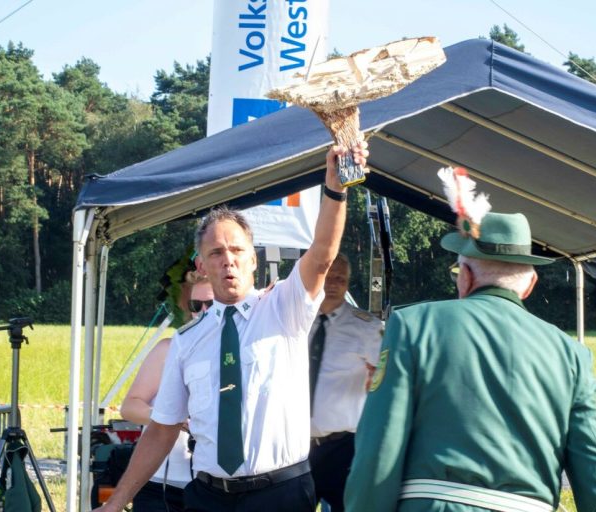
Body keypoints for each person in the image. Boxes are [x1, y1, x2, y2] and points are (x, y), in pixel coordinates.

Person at [95, 140, 368, 512]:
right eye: (216, 253)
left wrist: (335, 190)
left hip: (279, 495)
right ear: (202, 267)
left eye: (237, 251)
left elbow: (321, 255)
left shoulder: (284, 308)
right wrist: (117, 502)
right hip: (209, 496)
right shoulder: (187, 340)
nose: (229, 262)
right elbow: (162, 428)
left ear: (253, 260)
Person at [345, 211, 596, 512]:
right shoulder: (571, 355)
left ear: (466, 277)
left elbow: (379, 450)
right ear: (530, 284)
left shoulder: (413, 325)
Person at [120, 270, 214, 512]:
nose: (203, 310)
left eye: (211, 304)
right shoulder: (167, 349)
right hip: (161, 484)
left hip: (213, 486)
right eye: (196, 304)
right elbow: (130, 406)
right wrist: (170, 418)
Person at [307, 253, 383, 512]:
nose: (334, 283)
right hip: (296, 448)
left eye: (341, 277)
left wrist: (375, 382)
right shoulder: (297, 321)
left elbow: (387, 379)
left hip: (344, 448)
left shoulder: (367, 328)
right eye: (329, 276)